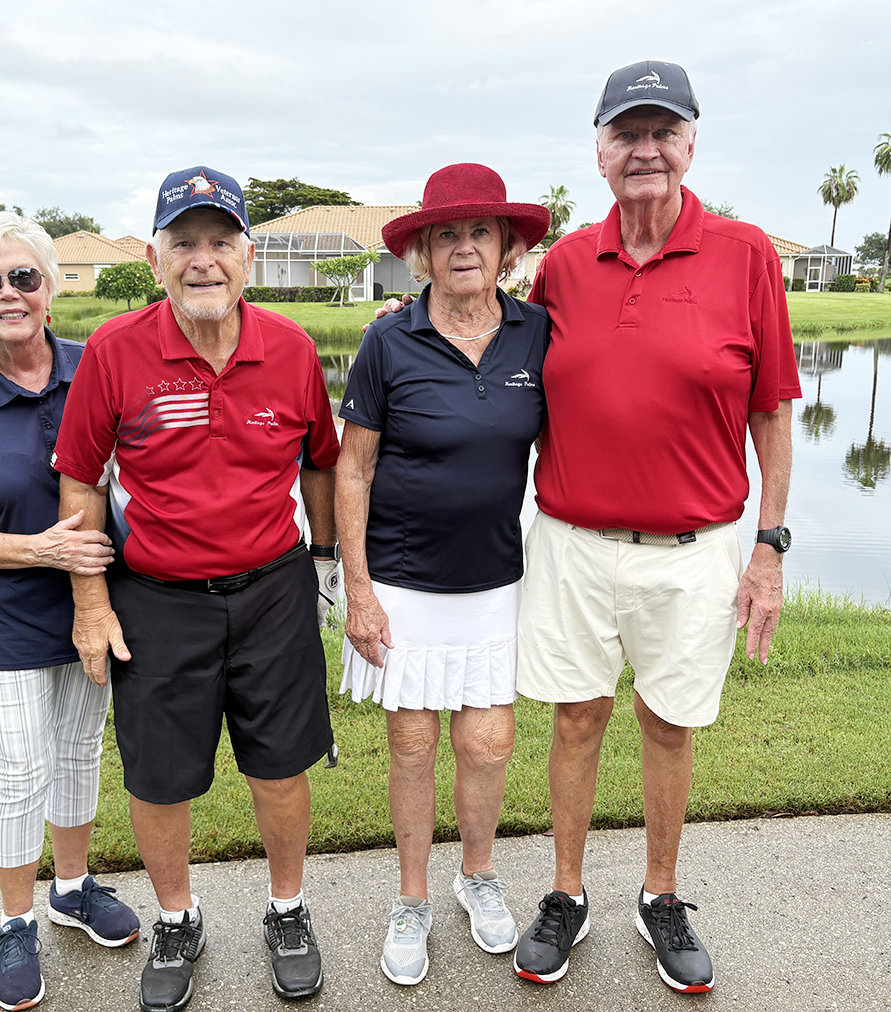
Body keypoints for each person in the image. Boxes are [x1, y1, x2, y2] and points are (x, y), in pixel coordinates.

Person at [508, 61, 801, 993]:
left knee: (670, 725)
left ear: (689, 143)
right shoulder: (563, 263)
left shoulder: (746, 253)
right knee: (577, 720)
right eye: (625, 133)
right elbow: (502, 356)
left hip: (698, 549)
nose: (644, 150)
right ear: (598, 151)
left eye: (661, 131)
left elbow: (774, 414)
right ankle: (566, 893)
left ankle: (660, 896)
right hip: (572, 544)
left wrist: (770, 544)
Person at [51, 166, 340, 1012]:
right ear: (155, 256)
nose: (203, 260)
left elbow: (319, 460)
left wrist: (322, 564)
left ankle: (287, 910)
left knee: (281, 766)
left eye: (220, 242)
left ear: (248, 255)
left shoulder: (288, 348)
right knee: (158, 777)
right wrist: (91, 602)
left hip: (273, 591)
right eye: (185, 243)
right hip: (157, 599)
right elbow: (79, 482)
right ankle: (178, 918)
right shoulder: (115, 349)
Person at [0, 209, 139, 1012]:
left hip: (95, 606)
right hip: (2, 614)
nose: (8, 293)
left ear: (48, 289)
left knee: (79, 752)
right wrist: (39, 550)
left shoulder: (97, 366)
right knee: (17, 768)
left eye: (24, 277)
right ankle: (15, 922)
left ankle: (71, 889)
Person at [336, 163, 551, 986]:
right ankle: (414, 898)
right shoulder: (389, 339)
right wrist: (356, 588)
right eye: (447, 234)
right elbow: (353, 470)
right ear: (423, 252)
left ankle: (480, 876)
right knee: (414, 740)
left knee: (489, 741)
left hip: (496, 576)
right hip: (400, 579)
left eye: (481, 232)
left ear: (505, 248)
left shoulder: (537, 334)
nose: (465, 246)